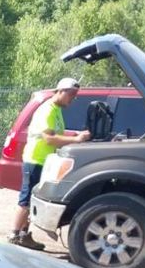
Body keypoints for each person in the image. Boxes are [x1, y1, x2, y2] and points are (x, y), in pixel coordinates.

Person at [10, 77, 90, 249]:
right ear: (61, 91)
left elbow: (56, 133)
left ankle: (23, 234)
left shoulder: (56, 110)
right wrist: (76, 140)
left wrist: (75, 134)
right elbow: (49, 138)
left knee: (33, 199)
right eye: (72, 95)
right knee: (26, 199)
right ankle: (14, 234)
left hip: (44, 161)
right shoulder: (47, 110)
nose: (73, 99)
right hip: (35, 161)